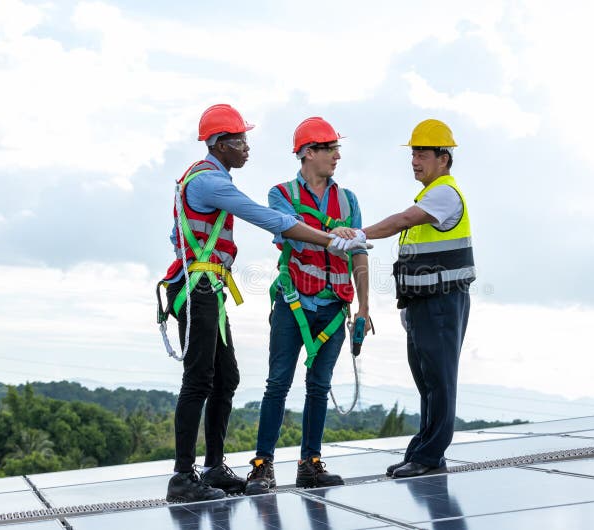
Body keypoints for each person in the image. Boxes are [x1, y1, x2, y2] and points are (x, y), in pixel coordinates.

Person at [159, 105, 368, 503]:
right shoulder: (210, 183)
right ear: (221, 144)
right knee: (199, 379)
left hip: (207, 288)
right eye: (240, 141)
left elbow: (177, 236)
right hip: (198, 289)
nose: (247, 148)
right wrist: (331, 239)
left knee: (227, 378)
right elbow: (267, 219)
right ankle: (183, 476)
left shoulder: (204, 178)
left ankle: (214, 467)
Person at [244, 117, 371, 495]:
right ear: (308, 153)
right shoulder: (280, 194)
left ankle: (310, 464)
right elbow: (292, 229)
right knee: (277, 383)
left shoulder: (349, 199)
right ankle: (262, 465)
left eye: (337, 148)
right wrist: (336, 233)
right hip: (293, 303)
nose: (337, 155)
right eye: (330, 148)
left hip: (334, 307)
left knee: (319, 386)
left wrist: (364, 308)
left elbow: (360, 252)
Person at [360, 119, 475, 478]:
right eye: (413, 153)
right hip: (424, 304)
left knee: (439, 380)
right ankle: (424, 451)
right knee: (427, 381)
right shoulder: (430, 194)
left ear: (444, 158)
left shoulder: (444, 193)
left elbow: (402, 220)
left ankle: (429, 456)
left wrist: (358, 235)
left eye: (422, 153)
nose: (415, 160)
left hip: (443, 302)